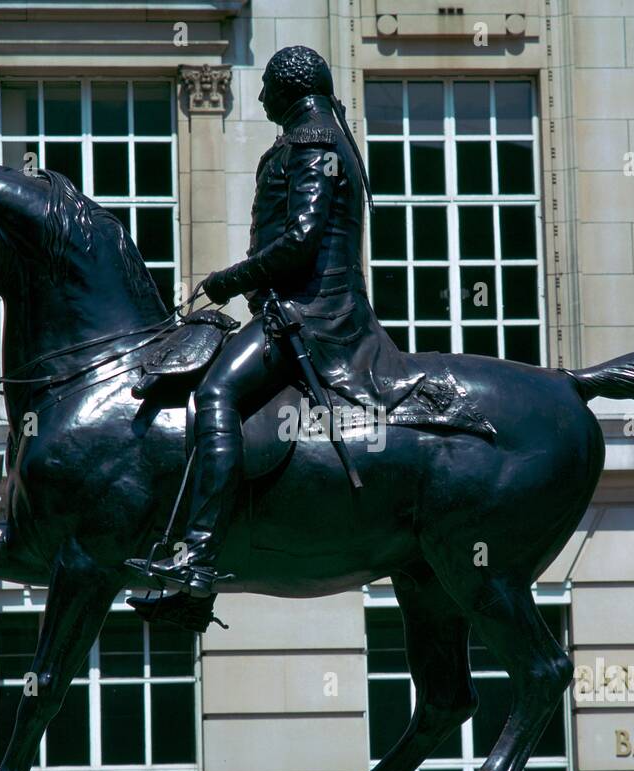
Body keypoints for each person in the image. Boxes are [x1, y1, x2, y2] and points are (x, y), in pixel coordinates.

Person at [127, 45, 420, 599]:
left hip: (312, 317)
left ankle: (197, 550)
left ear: (289, 87)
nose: (260, 97)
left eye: (266, 87)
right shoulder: (326, 139)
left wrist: (227, 280)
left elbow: (301, 242)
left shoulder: (313, 142)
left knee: (215, 393)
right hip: (304, 310)